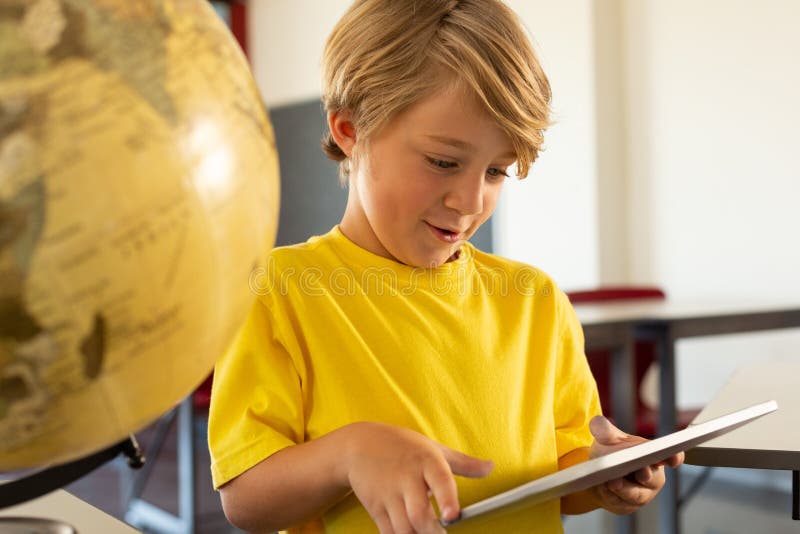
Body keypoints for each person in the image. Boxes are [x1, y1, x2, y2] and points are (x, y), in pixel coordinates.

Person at [208, 1, 683, 532]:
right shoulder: (282, 290)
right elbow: (244, 498)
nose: (469, 200)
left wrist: (603, 473)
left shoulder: (535, 302)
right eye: (442, 162)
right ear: (350, 129)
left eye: (497, 171)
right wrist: (348, 454)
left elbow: (560, 462)